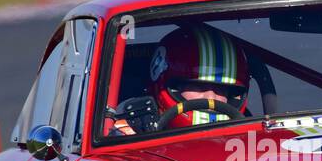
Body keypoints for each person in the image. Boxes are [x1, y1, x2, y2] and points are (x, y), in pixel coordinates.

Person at [108, 25, 254, 135]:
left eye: (220, 89)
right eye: (198, 86)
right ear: (173, 86)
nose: (210, 97)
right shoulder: (127, 132)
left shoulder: (252, 132)